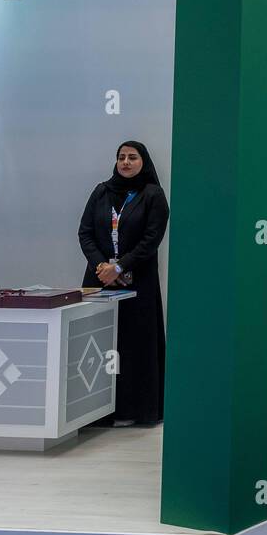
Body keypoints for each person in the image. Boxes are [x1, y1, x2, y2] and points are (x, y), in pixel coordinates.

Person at [78, 141, 170, 427]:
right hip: (99, 281)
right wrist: (102, 267)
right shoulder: (101, 192)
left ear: (144, 162)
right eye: (121, 157)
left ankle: (135, 410)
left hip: (137, 281)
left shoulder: (153, 195)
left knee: (134, 344)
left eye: (132, 157)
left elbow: (151, 239)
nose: (126, 162)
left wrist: (120, 265)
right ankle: (99, 412)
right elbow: (85, 233)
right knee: (101, 342)